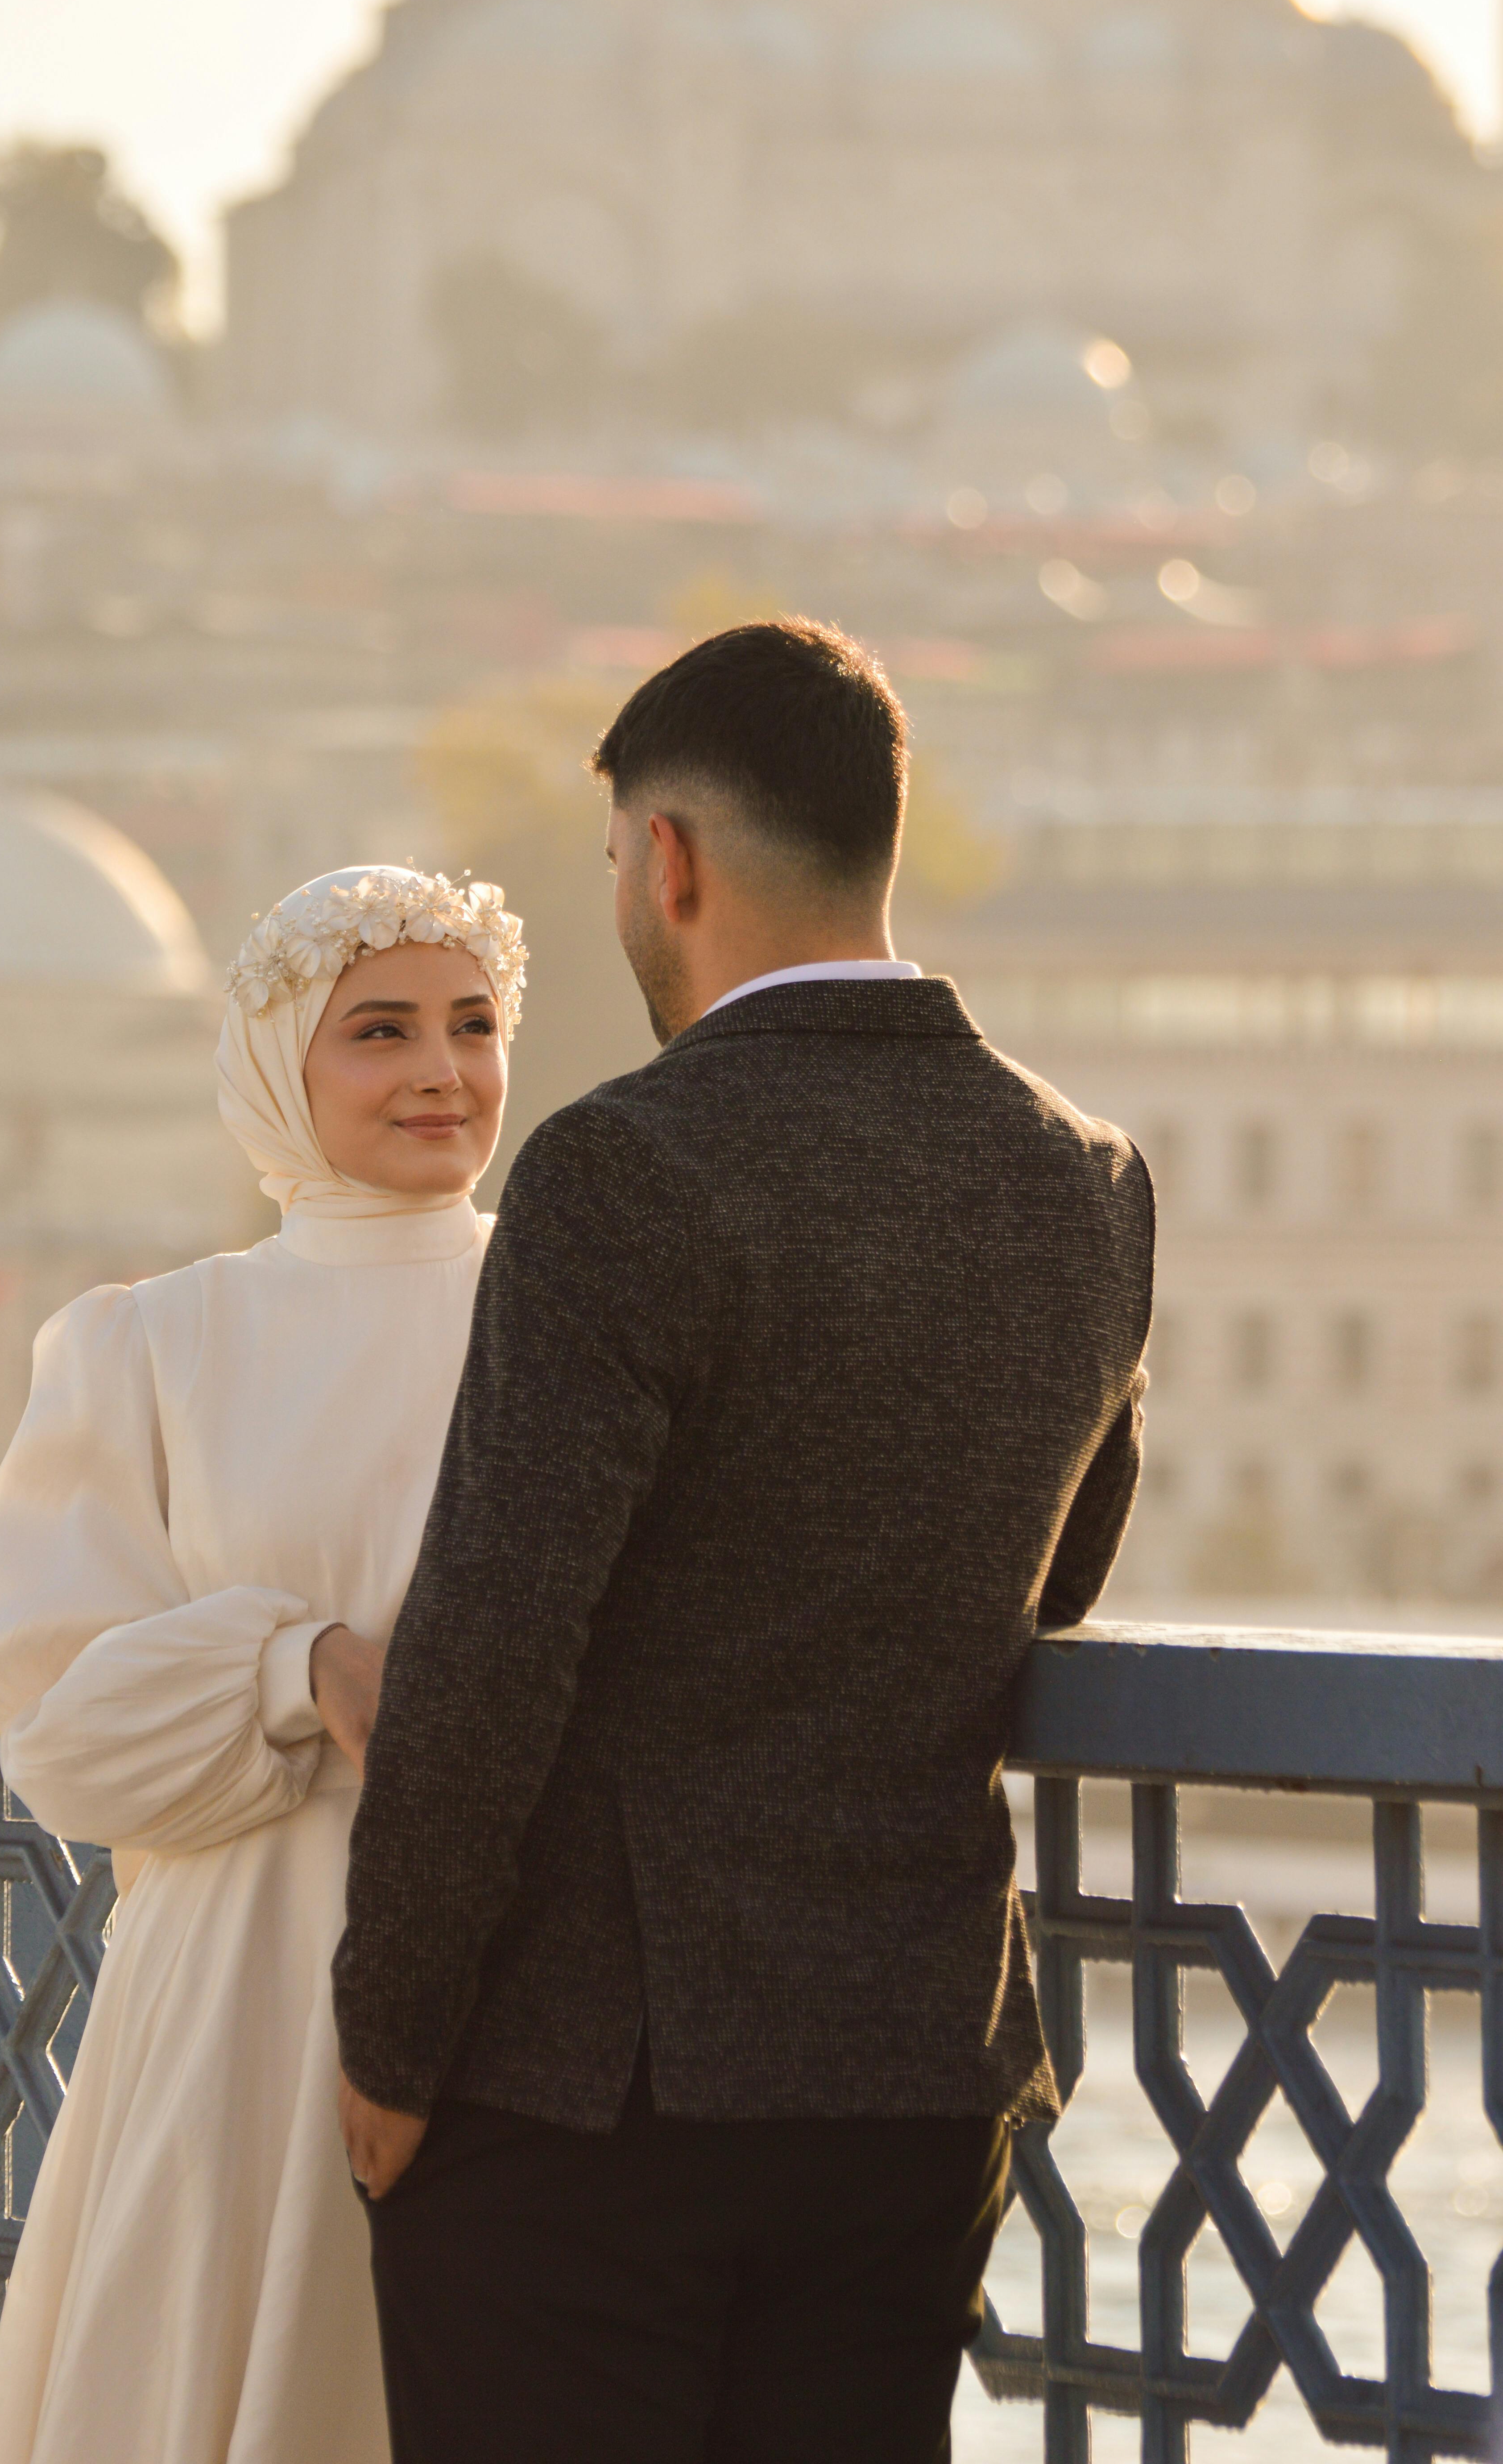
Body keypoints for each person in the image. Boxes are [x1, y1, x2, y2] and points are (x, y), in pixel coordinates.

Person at [333, 621, 1155, 2464]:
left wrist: (389, 2046)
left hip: (588, 2098)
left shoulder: (621, 1169)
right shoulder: (1088, 1178)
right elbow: (1062, 1572)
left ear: (672, 859)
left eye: (623, 859)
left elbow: (487, 1651)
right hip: (910, 2084)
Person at [0, 865, 527, 2464]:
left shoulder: (575, 1316)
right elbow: (59, 1731)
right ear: (281, 1062)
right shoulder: (155, 1342)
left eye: (476, 1025)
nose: (441, 1068)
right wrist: (295, 1669)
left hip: (533, 1980)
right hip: (236, 1997)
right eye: (380, 1031)